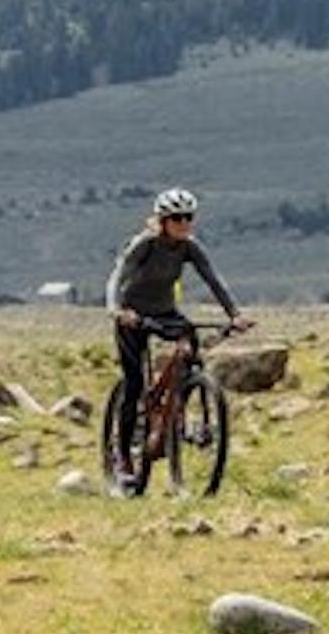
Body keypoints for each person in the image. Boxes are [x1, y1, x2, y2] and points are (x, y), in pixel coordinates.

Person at [104, 188, 251, 491]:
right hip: (134, 315)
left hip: (165, 312)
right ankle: (122, 458)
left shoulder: (189, 248)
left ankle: (178, 407)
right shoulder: (144, 245)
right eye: (177, 218)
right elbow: (118, 276)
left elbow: (213, 279)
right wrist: (117, 310)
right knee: (133, 384)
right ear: (163, 220)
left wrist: (234, 314)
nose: (184, 224)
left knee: (190, 344)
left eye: (189, 218)